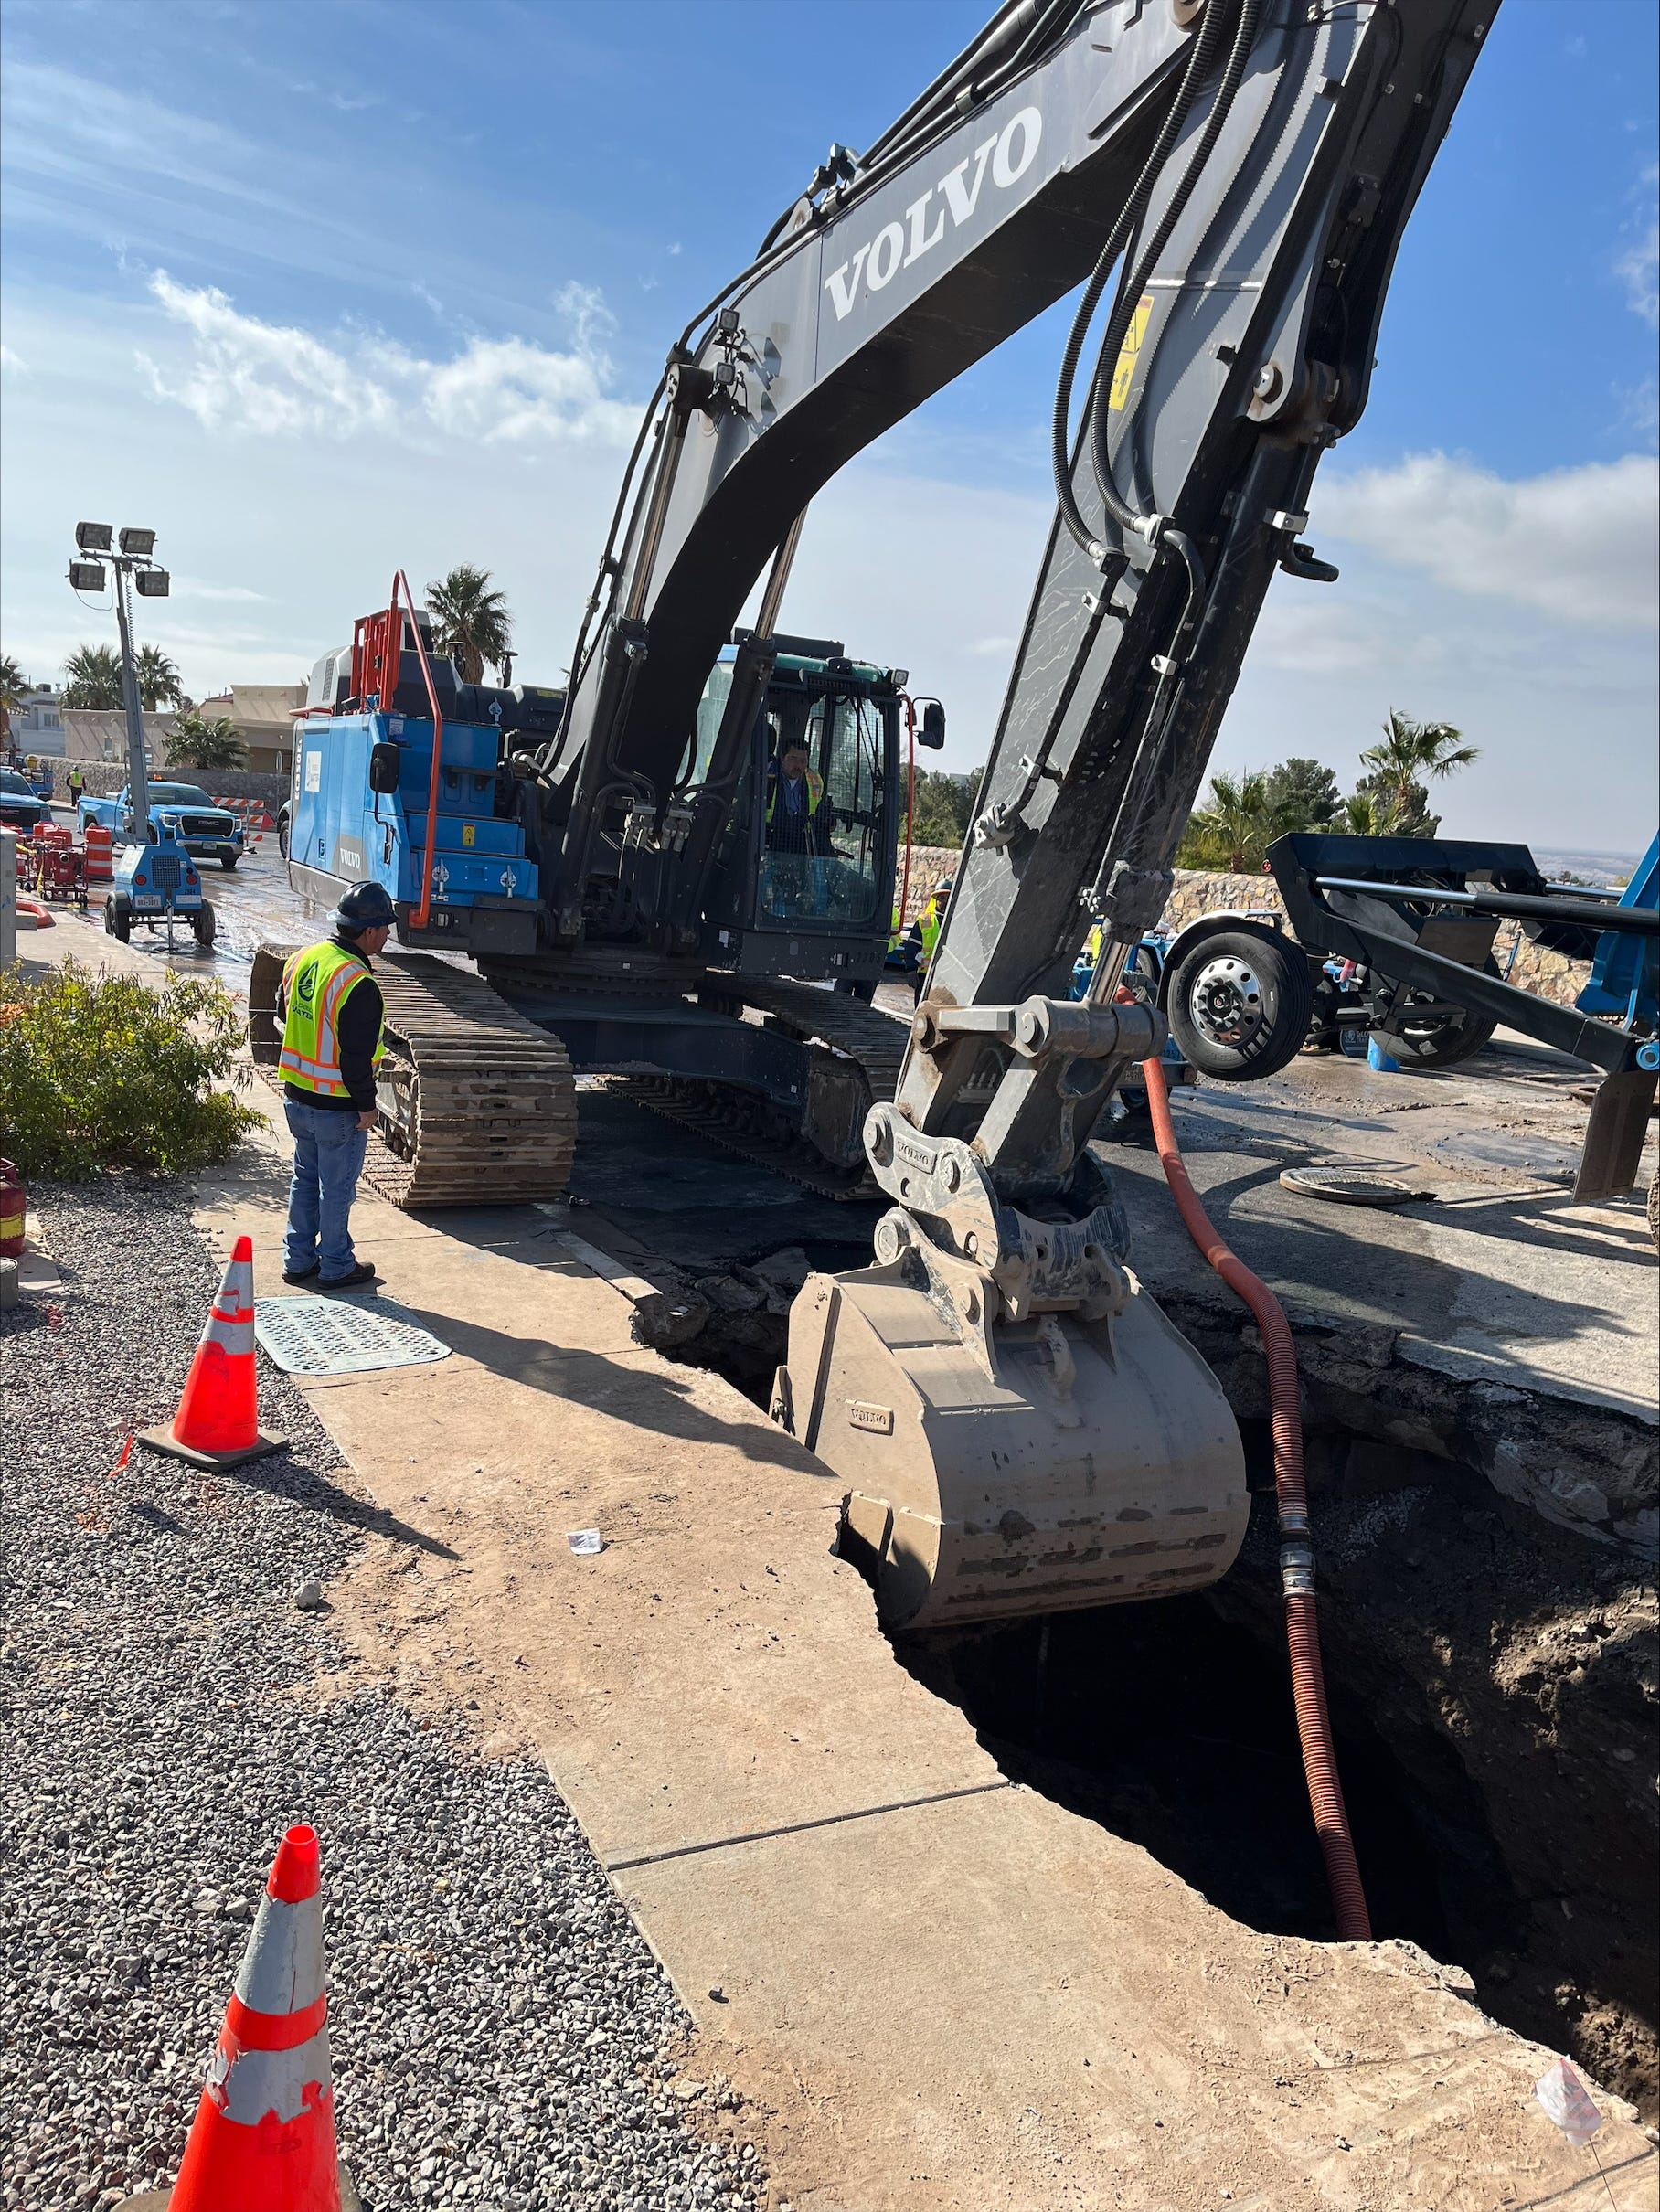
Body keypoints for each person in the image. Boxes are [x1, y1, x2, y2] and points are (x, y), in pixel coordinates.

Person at [277, 880, 395, 1290]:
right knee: (337, 1189)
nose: (387, 937)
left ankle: (298, 1259)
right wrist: (367, 1106)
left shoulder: (303, 958)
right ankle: (336, 1266)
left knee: (305, 1179)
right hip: (336, 1105)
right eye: (385, 929)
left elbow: (284, 1010)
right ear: (369, 932)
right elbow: (355, 1058)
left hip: (296, 1095)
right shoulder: (358, 983)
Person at [764, 741, 827, 855]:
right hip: (767, 838)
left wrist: (826, 820)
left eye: (803, 761)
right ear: (782, 758)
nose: (798, 765)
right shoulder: (764, 774)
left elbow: (819, 810)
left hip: (800, 842)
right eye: (793, 759)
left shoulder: (815, 781)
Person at [905, 875, 953, 1003]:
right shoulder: (924, 921)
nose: (945, 901)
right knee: (923, 1010)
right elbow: (911, 947)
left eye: (949, 897)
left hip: (949, 977)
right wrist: (911, 970)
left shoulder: (959, 920)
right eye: (942, 898)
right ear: (935, 900)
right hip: (925, 976)